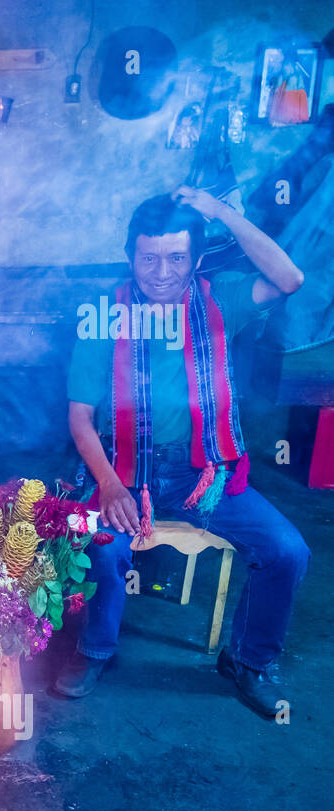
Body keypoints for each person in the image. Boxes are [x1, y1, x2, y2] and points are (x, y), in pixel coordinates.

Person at [61, 188, 308, 718]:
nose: (162, 272)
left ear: (196, 259)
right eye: (148, 258)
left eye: (177, 258)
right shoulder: (105, 315)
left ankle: (247, 662)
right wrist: (107, 484)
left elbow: (290, 280)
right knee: (104, 549)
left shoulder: (223, 300)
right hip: (123, 468)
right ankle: (94, 650)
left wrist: (220, 212)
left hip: (205, 474)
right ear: (131, 256)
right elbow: (80, 416)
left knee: (287, 551)